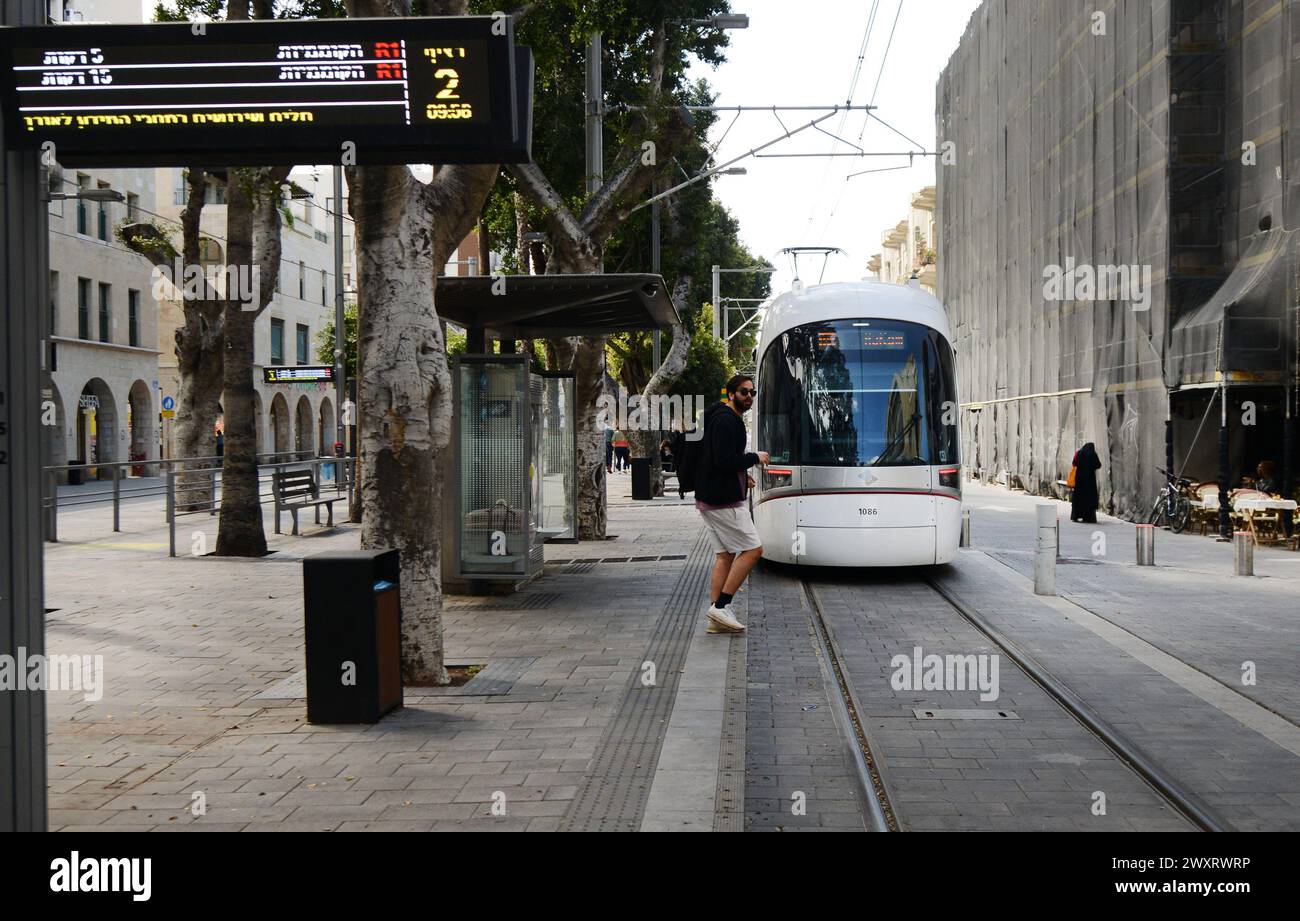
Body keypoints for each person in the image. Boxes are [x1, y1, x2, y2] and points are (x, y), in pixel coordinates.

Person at [695, 374, 768, 635]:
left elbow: (719, 460)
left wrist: (741, 475)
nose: (748, 397)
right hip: (723, 502)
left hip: (709, 498)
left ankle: (716, 620)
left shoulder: (718, 417)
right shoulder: (728, 420)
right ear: (731, 394)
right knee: (753, 550)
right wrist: (754, 458)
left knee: (724, 556)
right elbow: (724, 459)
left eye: (752, 392)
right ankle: (722, 606)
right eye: (743, 392)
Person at [1069, 442, 1102, 523]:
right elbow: (1098, 465)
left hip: (1080, 480)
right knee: (1089, 499)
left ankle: (1076, 516)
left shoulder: (1079, 453)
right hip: (1090, 480)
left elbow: (1074, 463)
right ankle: (1088, 518)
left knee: (1078, 498)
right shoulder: (1093, 454)